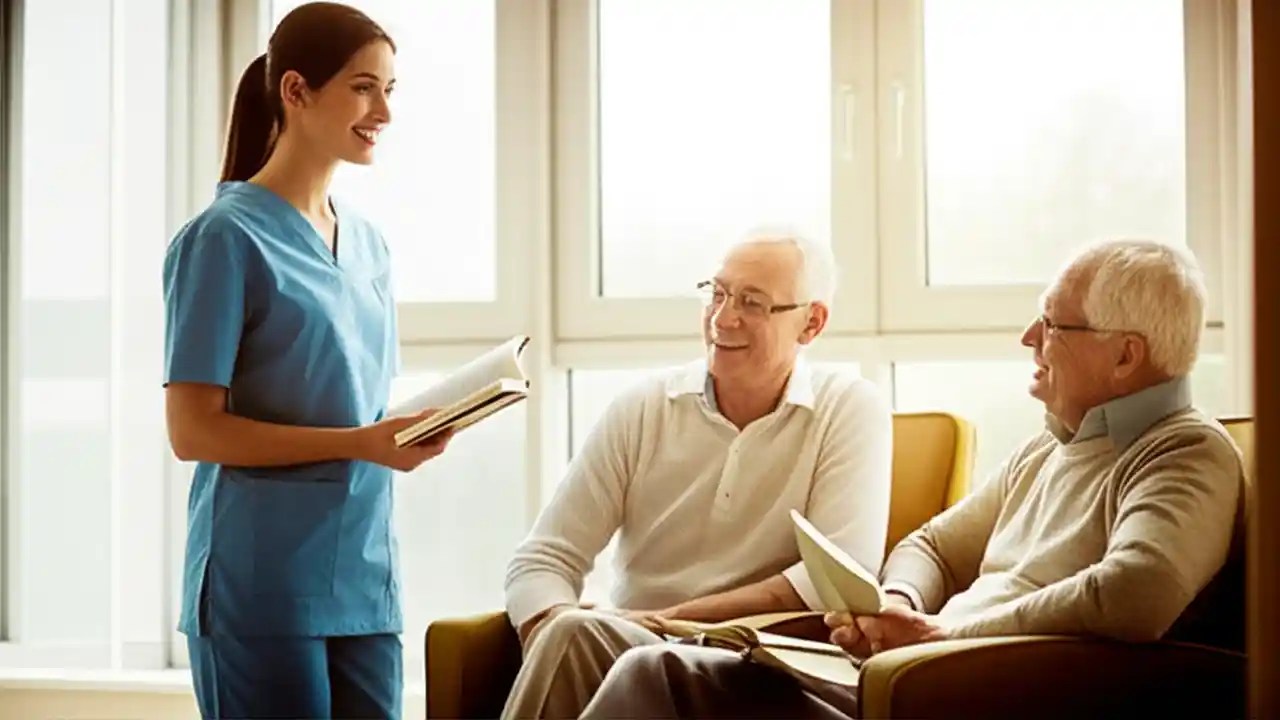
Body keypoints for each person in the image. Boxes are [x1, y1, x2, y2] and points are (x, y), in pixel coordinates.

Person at [581, 239, 1244, 719]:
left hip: (973, 693)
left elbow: (1137, 592)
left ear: (1125, 355)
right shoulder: (1048, 449)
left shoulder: (1184, 451)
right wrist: (897, 604)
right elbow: (932, 548)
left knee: (660, 674)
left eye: (1052, 324)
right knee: (661, 672)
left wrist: (946, 638)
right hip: (915, 681)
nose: (1028, 339)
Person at [162, 3, 450, 718]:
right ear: (296, 91)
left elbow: (352, 400)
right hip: (262, 584)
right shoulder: (224, 239)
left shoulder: (370, 245)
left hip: (364, 575)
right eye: (363, 88)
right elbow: (193, 432)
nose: (383, 111)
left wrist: (409, 430)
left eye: (389, 90)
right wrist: (360, 443)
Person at [500, 228, 894, 719]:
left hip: (760, 666)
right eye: (717, 293)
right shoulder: (643, 408)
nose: (723, 318)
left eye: (752, 303)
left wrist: (666, 620)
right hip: (632, 645)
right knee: (570, 631)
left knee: (614, 648)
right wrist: (550, 626)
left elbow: (835, 578)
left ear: (811, 323)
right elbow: (542, 560)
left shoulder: (848, 407)